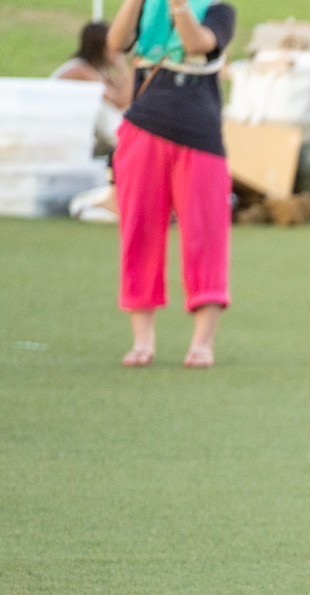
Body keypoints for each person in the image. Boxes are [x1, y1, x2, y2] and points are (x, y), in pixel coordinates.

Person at [106, 0, 236, 369]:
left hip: (201, 137)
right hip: (143, 130)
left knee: (206, 236)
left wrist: (179, 5)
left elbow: (198, 44)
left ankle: (202, 342)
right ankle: (142, 339)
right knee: (139, 233)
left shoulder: (219, 10)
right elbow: (117, 42)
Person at [51, 22, 132, 155]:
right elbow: (120, 101)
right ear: (101, 47)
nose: (119, 49)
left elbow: (123, 93)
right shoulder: (81, 71)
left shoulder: (96, 70)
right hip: (58, 133)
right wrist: (126, 67)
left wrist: (123, 70)